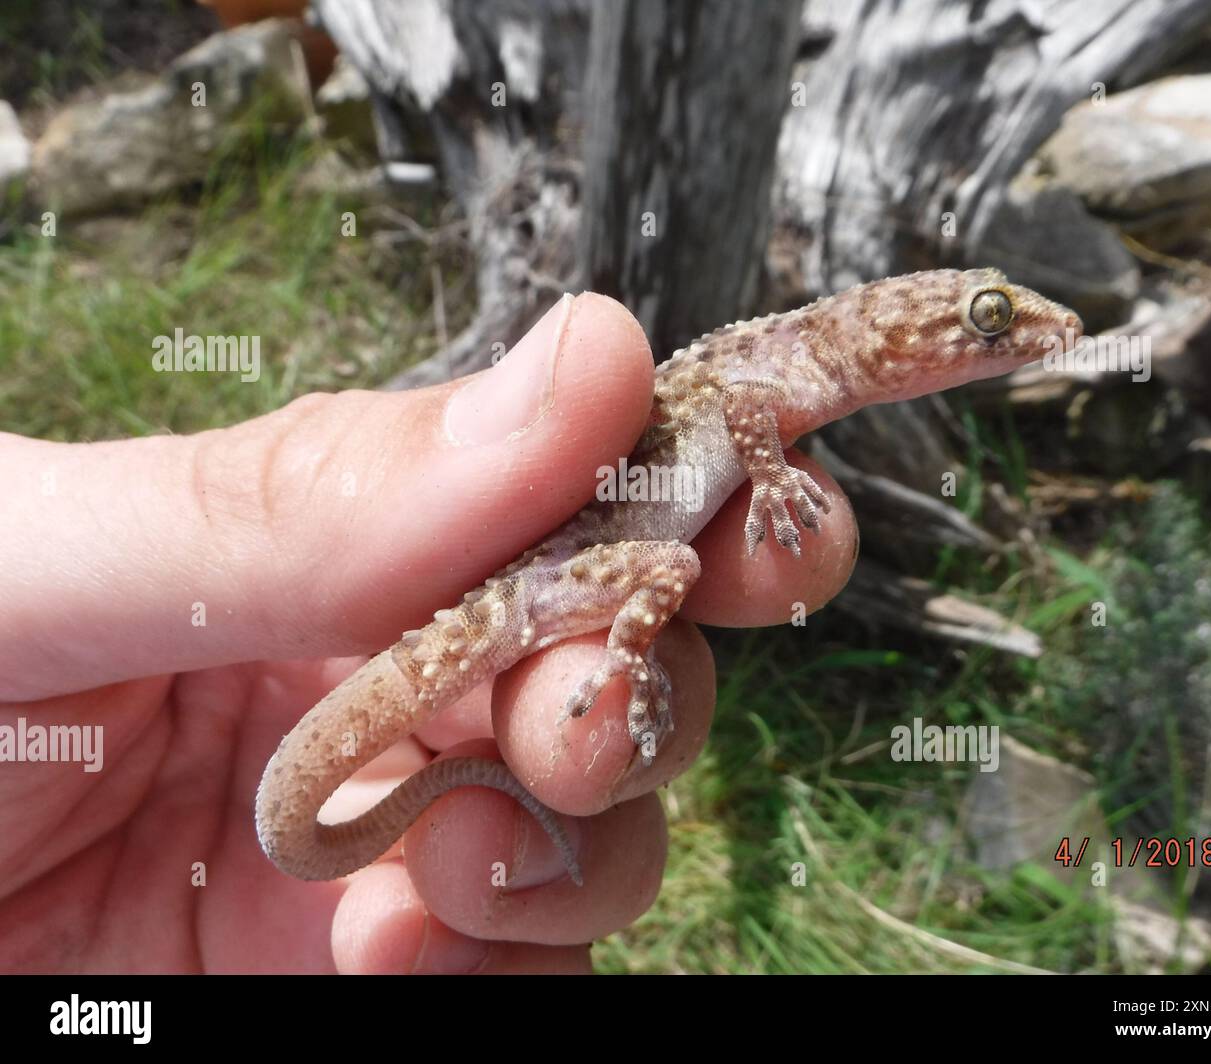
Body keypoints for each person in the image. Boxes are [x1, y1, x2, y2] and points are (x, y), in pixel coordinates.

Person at [0, 293, 857, 973]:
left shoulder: (793, 362)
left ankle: (611, 671)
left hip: (537, 587)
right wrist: (637, 643)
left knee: (617, 669)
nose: (994, 344)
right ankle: (627, 660)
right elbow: (744, 405)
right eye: (988, 322)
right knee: (672, 574)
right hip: (538, 588)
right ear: (897, 328)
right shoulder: (790, 366)